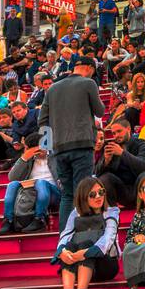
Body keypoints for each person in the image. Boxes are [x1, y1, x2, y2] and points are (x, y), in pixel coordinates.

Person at [38, 56, 106, 230]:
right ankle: (82, 234)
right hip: (82, 145)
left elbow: (42, 120)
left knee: (67, 195)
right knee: (82, 191)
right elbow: (100, 110)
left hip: (59, 149)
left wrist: (48, 146)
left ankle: (64, 236)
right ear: (90, 68)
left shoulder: (52, 88)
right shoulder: (88, 84)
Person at [52, 176, 121, 289]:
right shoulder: (75, 213)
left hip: (106, 265)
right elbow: (65, 234)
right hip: (81, 266)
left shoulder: (111, 211)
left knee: (85, 244)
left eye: (101, 192)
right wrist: (62, 252)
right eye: (92, 194)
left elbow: (109, 237)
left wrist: (86, 252)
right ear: (84, 197)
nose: (98, 196)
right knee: (70, 245)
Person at [0, 133, 60, 235]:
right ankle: (8, 220)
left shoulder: (55, 157)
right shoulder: (29, 160)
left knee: (41, 182)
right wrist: (24, 158)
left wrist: (49, 154)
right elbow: (12, 177)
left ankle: (40, 218)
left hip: (53, 194)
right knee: (12, 185)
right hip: (31, 194)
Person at [95, 116, 145, 209]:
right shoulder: (112, 147)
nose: (116, 135)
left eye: (119, 131)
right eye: (113, 133)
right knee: (105, 178)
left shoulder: (142, 144)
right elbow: (97, 174)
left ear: (128, 129)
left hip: (140, 188)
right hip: (123, 191)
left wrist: (122, 153)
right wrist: (106, 161)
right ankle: (111, 212)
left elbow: (143, 166)